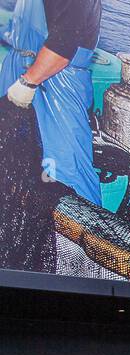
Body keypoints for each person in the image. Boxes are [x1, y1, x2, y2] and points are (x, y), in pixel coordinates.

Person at [0, 0, 102, 269]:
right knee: (12, 165)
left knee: (65, 175)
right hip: (21, 67)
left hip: (54, 82)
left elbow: (64, 44)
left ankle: (89, 265)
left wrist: (27, 82)